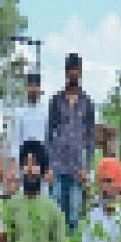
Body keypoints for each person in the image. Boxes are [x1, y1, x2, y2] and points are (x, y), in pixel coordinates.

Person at [47, 52, 95, 231]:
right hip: (58, 166)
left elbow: (90, 138)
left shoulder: (87, 102)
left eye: (77, 70)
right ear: (65, 72)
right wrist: (49, 167)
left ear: (81, 73)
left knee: (74, 215)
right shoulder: (56, 100)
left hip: (77, 169)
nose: (73, 73)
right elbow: (49, 134)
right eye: (70, 70)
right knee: (56, 213)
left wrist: (87, 169)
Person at [9, 73, 48, 178]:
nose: (33, 89)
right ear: (26, 88)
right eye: (31, 86)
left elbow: (48, 140)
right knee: (24, 187)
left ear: (39, 89)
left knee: (42, 188)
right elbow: (15, 140)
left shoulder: (45, 112)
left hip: (41, 154)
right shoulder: (19, 112)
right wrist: (13, 165)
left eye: (36, 86)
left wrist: (49, 165)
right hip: (24, 154)